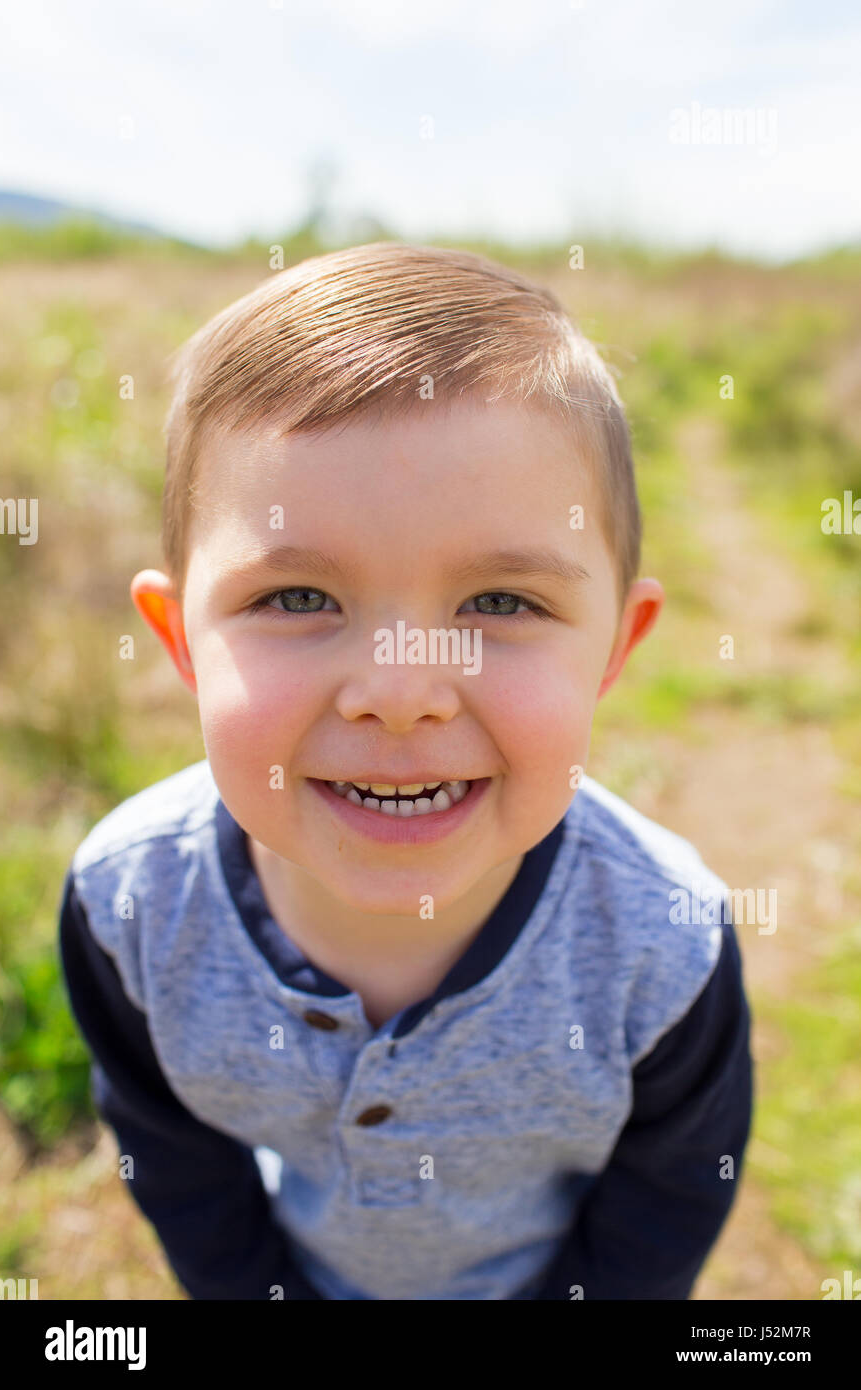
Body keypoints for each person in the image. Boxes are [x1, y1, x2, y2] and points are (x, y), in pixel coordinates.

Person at [59, 241, 753, 1300]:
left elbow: (667, 1200)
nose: (398, 689)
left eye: (499, 603)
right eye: (296, 598)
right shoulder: (131, 907)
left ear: (614, 647)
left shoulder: (660, 947)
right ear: (181, 640)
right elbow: (172, 1150)